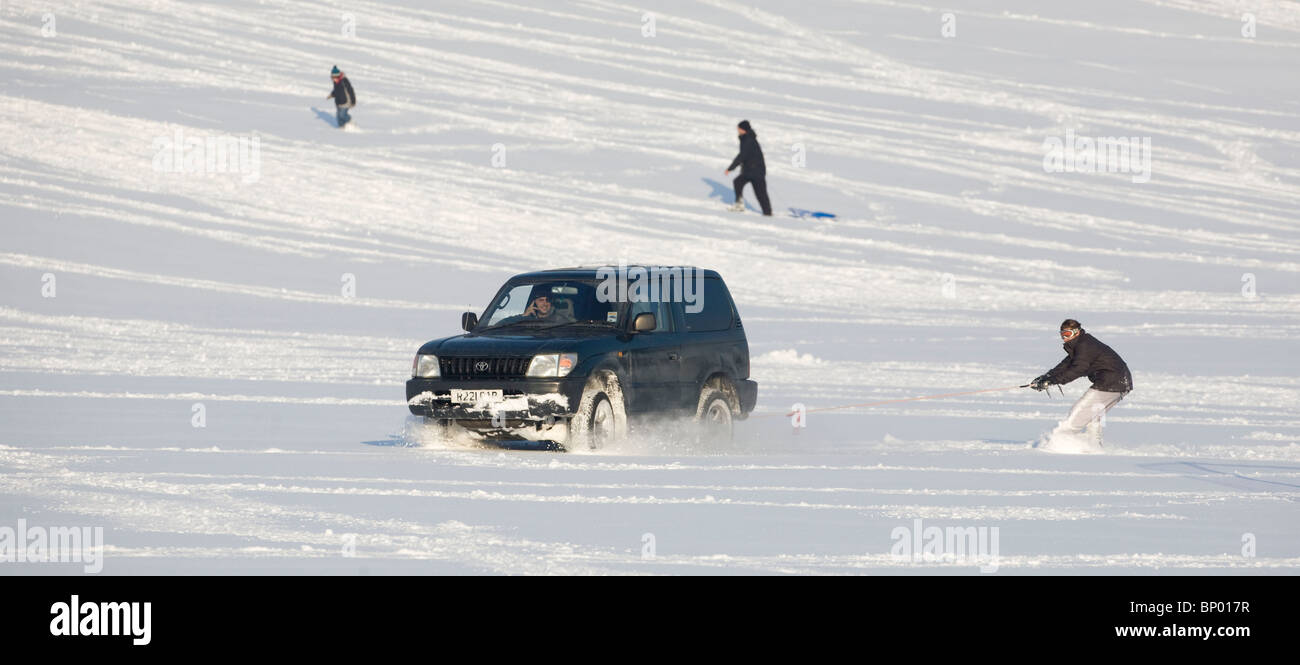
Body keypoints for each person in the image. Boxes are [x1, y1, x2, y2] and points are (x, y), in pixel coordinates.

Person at [1029, 319, 1133, 450]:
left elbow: (1078, 369)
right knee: (1093, 420)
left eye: (1067, 334)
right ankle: (1094, 448)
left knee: (1076, 417)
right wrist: (1046, 377)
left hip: (1110, 383)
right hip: (1120, 383)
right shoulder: (1080, 345)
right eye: (1062, 334)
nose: (1064, 338)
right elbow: (1065, 365)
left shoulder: (1084, 345)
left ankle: (1055, 446)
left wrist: (1052, 381)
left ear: (1076, 332)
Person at [725, 120, 771, 216]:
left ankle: (768, 214)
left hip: (755, 171)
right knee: (738, 182)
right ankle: (739, 204)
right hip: (751, 170)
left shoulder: (748, 140)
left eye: (739, 128)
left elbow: (742, 156)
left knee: (760, 194)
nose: (738, 130)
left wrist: (730, 168)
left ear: (743, 129)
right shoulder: (746, 138)